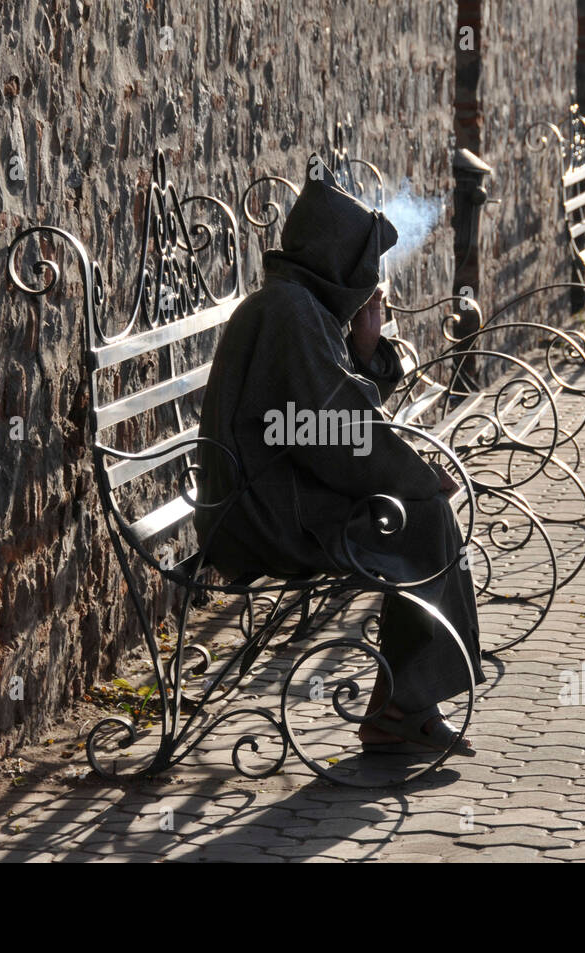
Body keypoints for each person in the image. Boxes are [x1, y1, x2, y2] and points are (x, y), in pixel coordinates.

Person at [194, 155, 484, 756]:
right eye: (360, 263)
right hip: (262, 518)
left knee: (414, 513)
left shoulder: (298, 306)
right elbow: (339, 431)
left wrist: (370, 348)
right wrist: (416, 479)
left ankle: (400, 705)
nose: (365, 277)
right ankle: (402, 708)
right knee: (420, 516)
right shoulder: (291, 314)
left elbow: (332, 416)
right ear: (336, 259)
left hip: (279, 498)